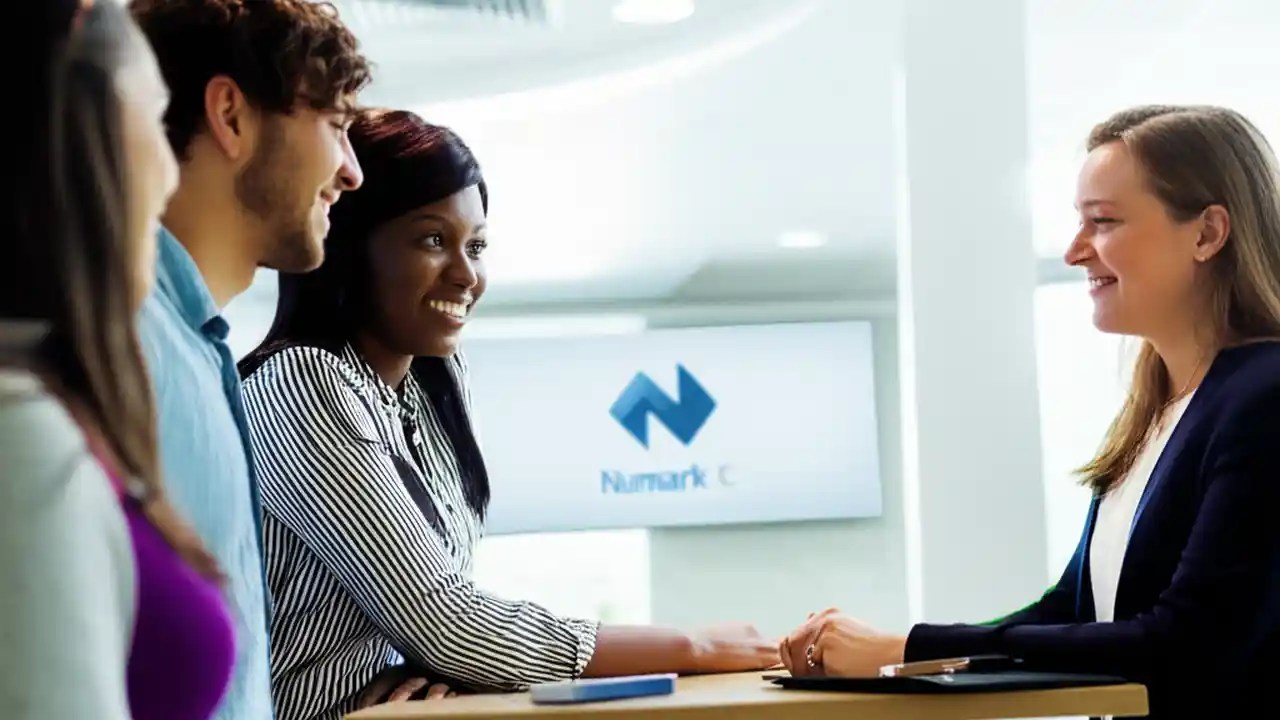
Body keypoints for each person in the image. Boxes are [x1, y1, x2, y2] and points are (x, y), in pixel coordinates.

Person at [238, 109, 780, 720]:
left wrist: (435, 670)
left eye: (476, 245)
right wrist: (694, 645)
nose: (467, 274)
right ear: (351, 245)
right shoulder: (300, 382)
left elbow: (431, 629)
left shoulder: (431, 385)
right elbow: (444, 619)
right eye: (433, 240)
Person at [781, 105, 1280, 719]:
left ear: (1206, 233)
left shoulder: (1265, 397)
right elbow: (1074, 611)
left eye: (1103, 222)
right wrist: (903, 653)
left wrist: (910, 648)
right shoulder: (1157, 410)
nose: (1074, 252)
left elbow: (1186, 642)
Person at [125, 1, 378, 717]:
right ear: (231, 116)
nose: (351, 173)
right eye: (336, 127)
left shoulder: (194, 349)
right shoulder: (127, 346)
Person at [2, 1, 234, 718]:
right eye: (155, 119)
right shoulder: (21, 435)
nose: (167, 173)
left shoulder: (51, 403)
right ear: (81, 134)